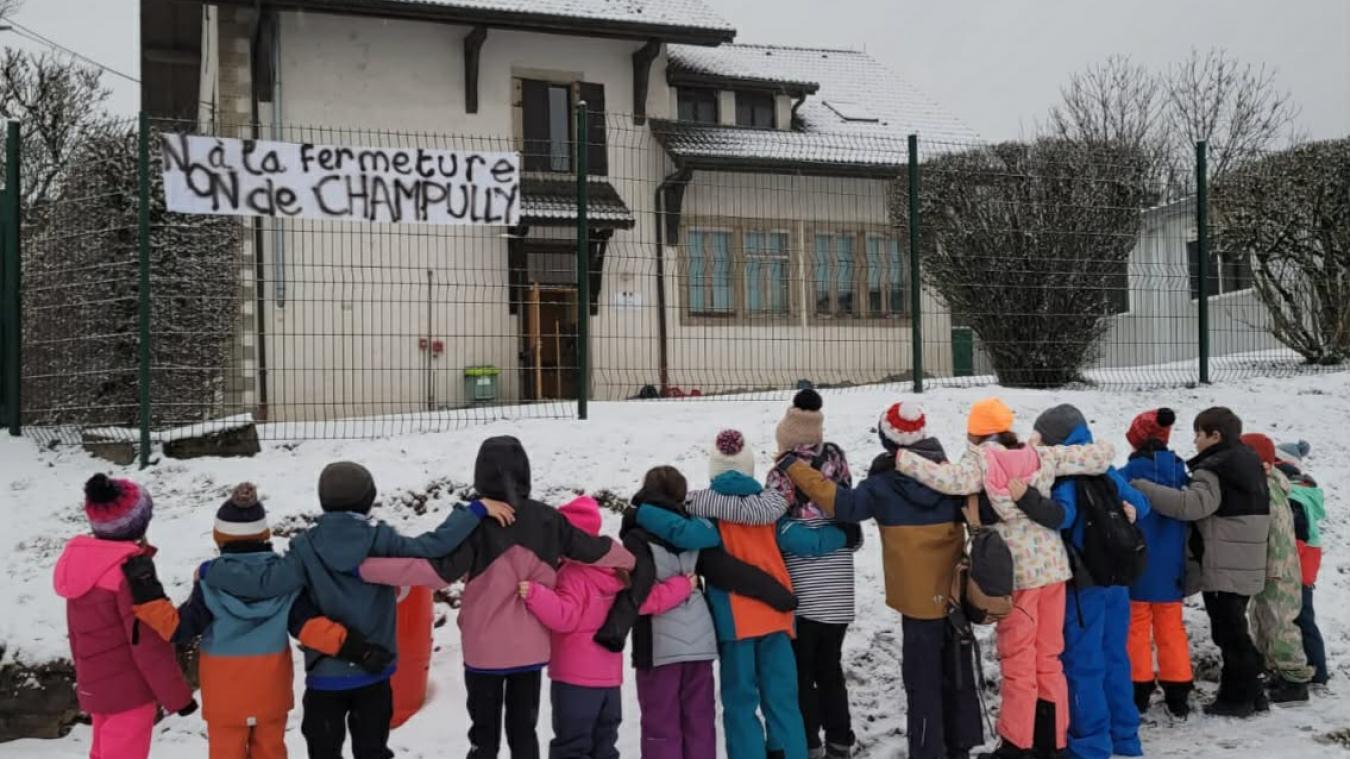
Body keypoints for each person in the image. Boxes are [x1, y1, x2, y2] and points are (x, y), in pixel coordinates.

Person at [200, 462, 507, 759]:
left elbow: (265, 583)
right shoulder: (379, 539)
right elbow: (433, 546)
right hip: (374, 674)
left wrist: (210, 571)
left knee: (324, 751)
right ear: (367, 500)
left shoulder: (306, 547)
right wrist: (474, 511)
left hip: (324, 677)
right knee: (372, 751)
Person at [358, 436, 634, 759]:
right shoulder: (548, 520)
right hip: (529, 651)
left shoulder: (477, 525)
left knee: (484, 735)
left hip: (484, 652)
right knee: (523, 731)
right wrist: (634, 562)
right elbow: (594, 549)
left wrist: (365, 568)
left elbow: (436, 572)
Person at [896, 398, 1116, 759]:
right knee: (1049, 657)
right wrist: (1102, 447)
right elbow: (1097, 457)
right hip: (1055, 571)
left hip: (1021, 575)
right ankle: (1053, 743)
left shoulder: (981, 460)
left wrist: (904, 460)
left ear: (975, 432)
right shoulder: (1042, 455)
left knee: (1018, 660)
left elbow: (947, 480)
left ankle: (1017, 744)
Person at [120, 482, 396, 759]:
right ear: (265, 535)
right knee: (271, 751)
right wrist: (359, 649)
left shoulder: (210, 585)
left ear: (220, 539)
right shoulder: (284, 582)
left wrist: (147, 589)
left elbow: (177, 628)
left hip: (225, 701)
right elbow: (312, 628)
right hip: (270, 697)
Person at [776, 401, 984, 759]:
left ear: (888, 439)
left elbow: (842, 504)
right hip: (955, 594)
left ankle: (927, 751)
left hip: (917, 602)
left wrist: (795, 467)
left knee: (923, 683)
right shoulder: (950, 475)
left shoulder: (885, 485)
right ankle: (959, 747)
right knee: (957, 675)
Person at [634, 429, 811, 759]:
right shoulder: (772, 508)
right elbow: (796, 541)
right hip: (778, 617)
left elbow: (689, 540)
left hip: (735, 621)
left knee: (740, 701)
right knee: (782, 698)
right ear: (750, 467)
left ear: (713, 469)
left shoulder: (703, 510)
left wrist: (640, 511)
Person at [517, 495, 692, 759]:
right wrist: (684, 586)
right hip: (609, 684)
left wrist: (534, 594)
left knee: (571, 747)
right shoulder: (617, 574)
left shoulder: (571, 575)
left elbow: (566, 616)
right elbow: (650, 600)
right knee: (605, 746)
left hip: (574, 680)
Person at [1129, 407, 1270, 718]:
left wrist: (1142, 488)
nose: (1194, 441)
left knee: (1229, 632)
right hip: (1247, 557)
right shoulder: (1246, 460)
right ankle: (1253, 692)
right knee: (1235, 627)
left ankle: (1238, 697)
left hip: (1225, 562)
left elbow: (1191, 505)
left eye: (1198, 434)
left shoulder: (1216, 467)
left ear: (1215, 436)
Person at [1033, 405, 1149, 759]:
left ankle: (1090, 743)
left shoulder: (1066, 475)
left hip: (1085, 585)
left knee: (1084, 662)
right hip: (1117, 578)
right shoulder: (1104, 469)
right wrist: (1130, 513)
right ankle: (1126, 737)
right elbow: (1141, 503)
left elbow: (1063, 518)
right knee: (1116, 656)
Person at [53, 475, 195, 759]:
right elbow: (149, 645)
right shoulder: (131, 576)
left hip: (98, 687)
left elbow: (78, 635)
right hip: (129, 692)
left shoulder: (82, 564)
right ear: (139, 526)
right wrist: (178, 697)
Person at [765, 389, 861, 759]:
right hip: (839, 588)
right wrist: (837, 537)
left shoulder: (782, 473)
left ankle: (809, 742)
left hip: (805, 590)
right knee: (831, 667)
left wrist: (801, 540)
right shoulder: (836, 458)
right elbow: (848, 511)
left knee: (802, 672)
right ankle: (840, 738)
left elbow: (774, 524)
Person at [1119, 409, 1194, 718]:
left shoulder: (1126, 475)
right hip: (1172, 567)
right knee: (1171, 629)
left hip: (1138, 565)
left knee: (1136, 628)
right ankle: (1178, 691)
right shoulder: (1182, 475)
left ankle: (1138, 689)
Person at [1240, 433, 1314, 703]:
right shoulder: (1270, 483)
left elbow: (1273, 531)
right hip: (1272, 562)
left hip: (1276, 564)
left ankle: (1294, 680)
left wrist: (1271, 564)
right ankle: (1275, 669)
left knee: (1280, 621)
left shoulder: (1268, 487)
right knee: (1262, 618)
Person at [1275, 441, 1328, 686]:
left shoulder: (1293, 495)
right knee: (1304, 617)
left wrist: (1283, 565)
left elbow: (1297, 535)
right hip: (1307, 564)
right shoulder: (1306, 490)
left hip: (1296, 564)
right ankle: (1317, 668)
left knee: (1300, 618)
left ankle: (1316, 669)